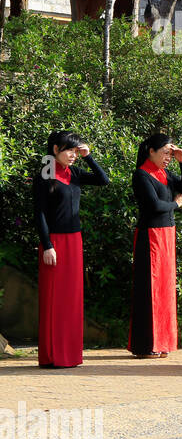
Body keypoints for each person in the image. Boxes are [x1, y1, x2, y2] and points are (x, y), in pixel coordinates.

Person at [33, 131, 109, 368]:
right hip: (54, 243)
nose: (73, 155)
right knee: (54, 298)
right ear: (55, 149)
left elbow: (103, 180)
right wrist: (47, 245)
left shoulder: (74, 173)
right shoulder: (45, 176)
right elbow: (40, 214)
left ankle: (70, 355)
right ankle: (52, 356)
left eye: (75, 150)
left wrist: (89, 157)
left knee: (71, 298)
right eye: (69, 150)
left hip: (74, 241)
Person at [129, 133, 182, 358]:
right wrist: (174, 204)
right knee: (150, 290)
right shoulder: (141, 175)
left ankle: (162, 342)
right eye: (165, 152)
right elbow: (154, 206)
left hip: (166, 234)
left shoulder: (165, 173)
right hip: (150, 236)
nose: (168, 157)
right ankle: (146, 345)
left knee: (165, 290)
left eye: (170, 153)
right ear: (151, 152)